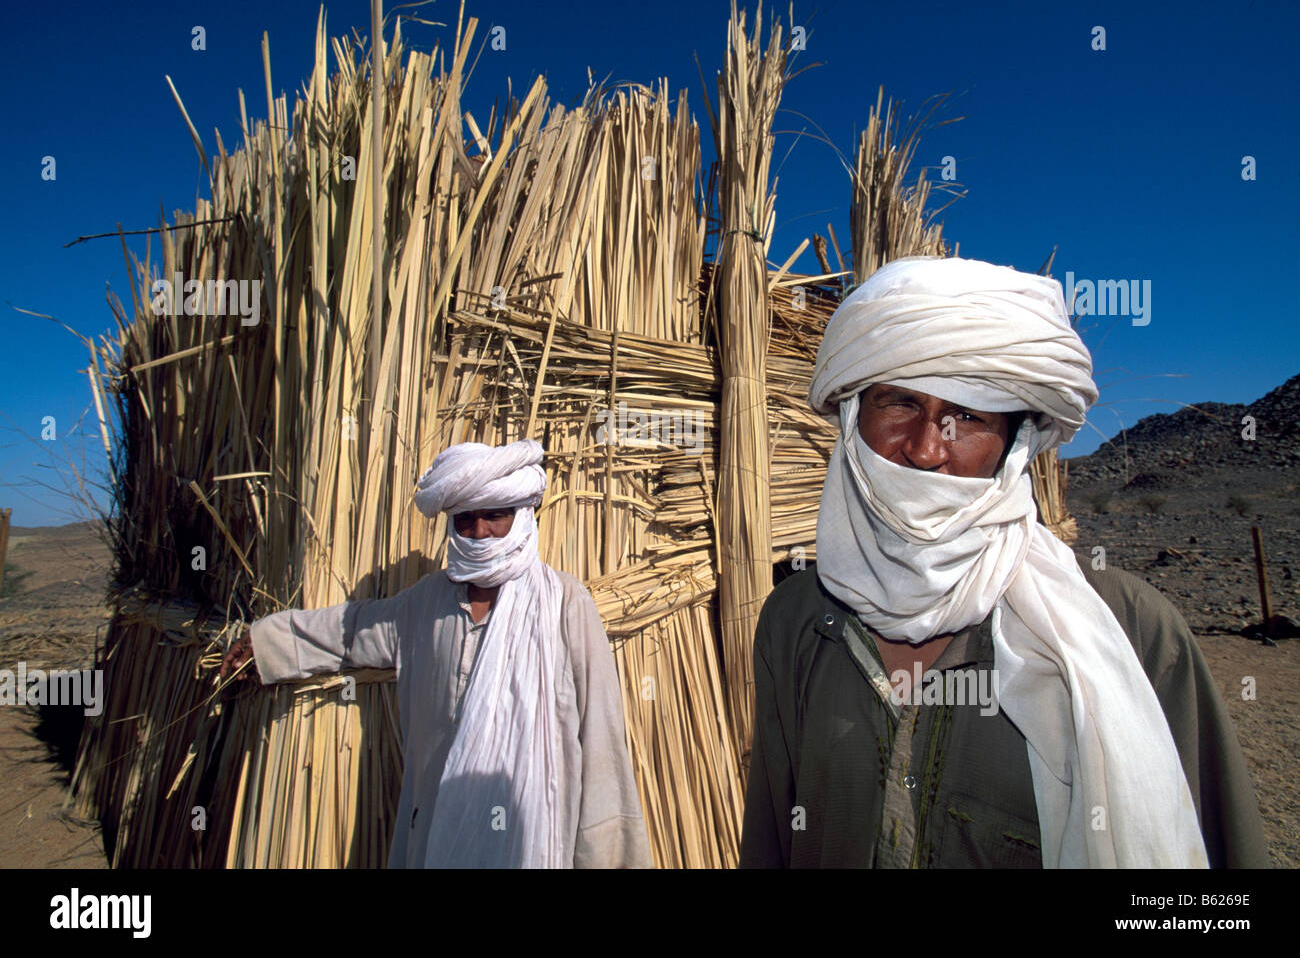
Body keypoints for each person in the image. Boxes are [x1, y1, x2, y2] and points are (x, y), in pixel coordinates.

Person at [739, 256, 1270, 869]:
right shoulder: (797, 621)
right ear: (854, 417)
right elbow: (775, 839)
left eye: (968, 415)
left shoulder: (1131, 630)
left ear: (1016, 443)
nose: (925, 449)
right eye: (900, 403)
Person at [220, 438, 652, 868]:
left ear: (521, 515)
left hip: (531, 843)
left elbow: (601, 736)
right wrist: (266, 642)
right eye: (466, 519)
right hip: (436, 837)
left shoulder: (565, 604)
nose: (480, 531)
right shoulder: (425, 605)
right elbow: (352, 629)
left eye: (495, 515)